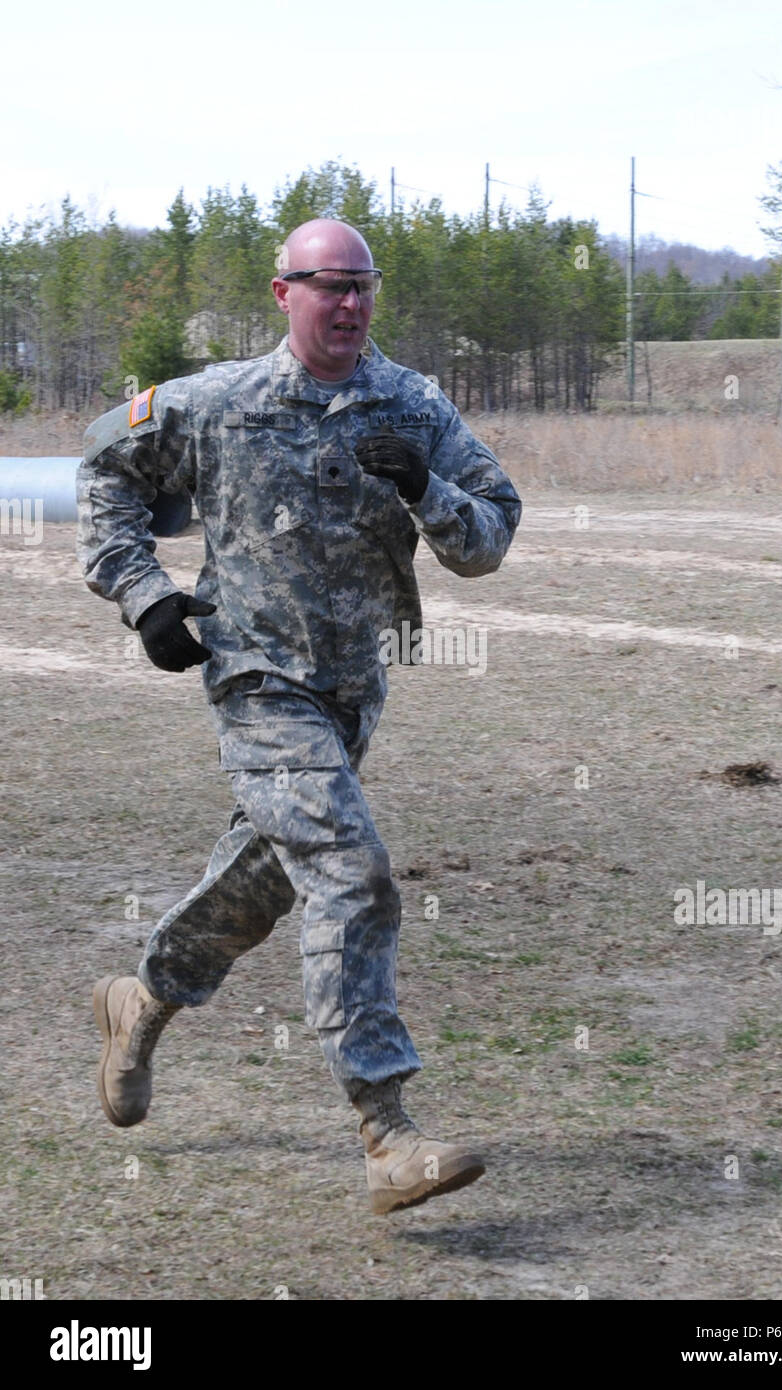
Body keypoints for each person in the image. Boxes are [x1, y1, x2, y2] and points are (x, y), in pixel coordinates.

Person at [77, 217, 522, 1214]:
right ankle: (384, 1130)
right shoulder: (218, 401)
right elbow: (103, 462)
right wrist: (141, 591)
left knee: (261, 882)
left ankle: (139, 1000)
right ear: (284, 293)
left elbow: (491, 530)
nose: (350, 303)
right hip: (255, 677)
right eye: (327, 284)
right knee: (351, 874)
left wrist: (424, 484)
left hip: (352, 693)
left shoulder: (411, 405)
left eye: (362, 284)